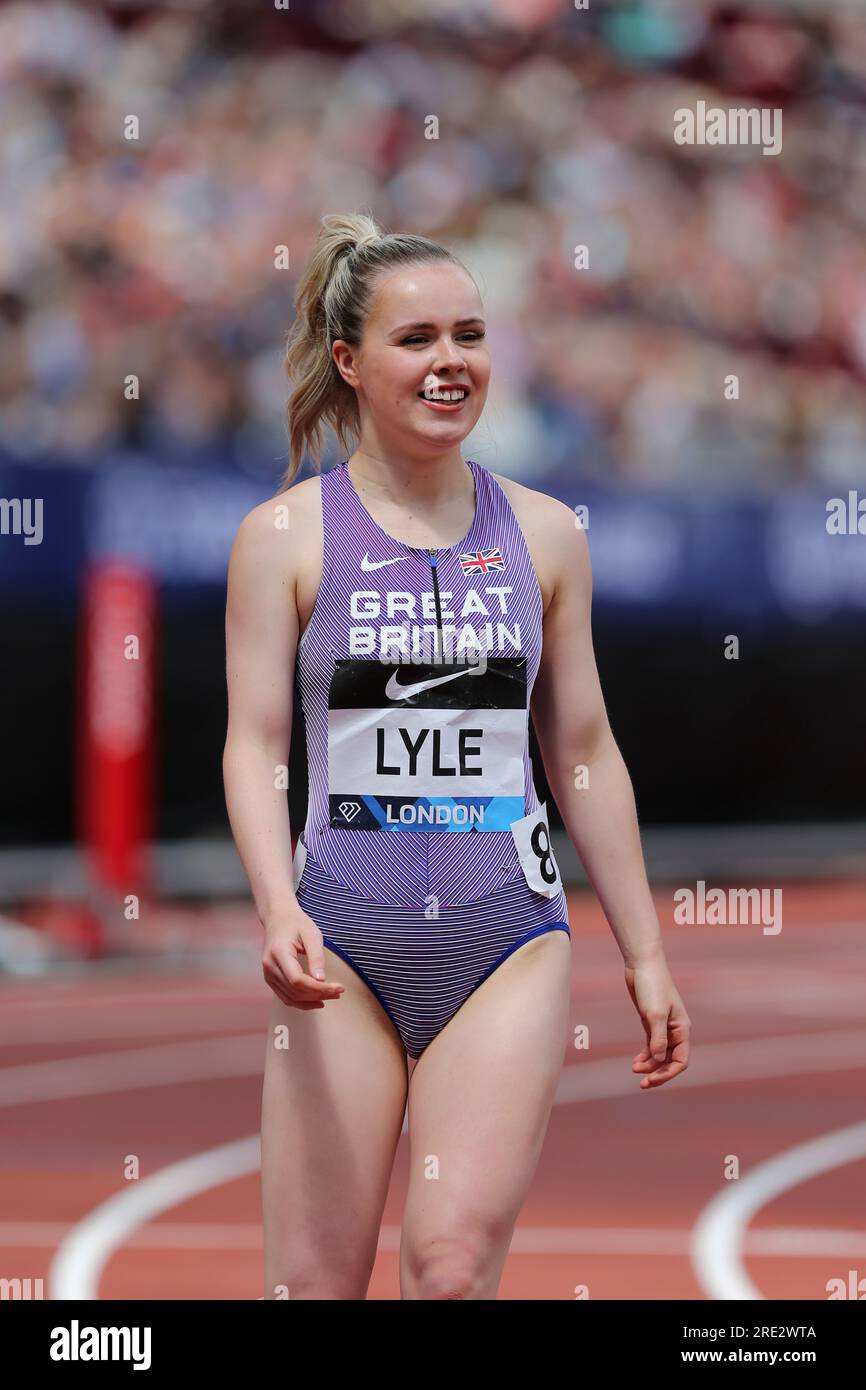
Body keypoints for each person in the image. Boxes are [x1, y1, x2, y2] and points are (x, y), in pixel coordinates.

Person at [223, 211, 690, 1301]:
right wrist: (274, 906)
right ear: (349, 361)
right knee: (313, 1284)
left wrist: (645, 950)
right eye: (417, 338)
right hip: (339, 946)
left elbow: (580, 750)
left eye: (469, 336)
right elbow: (252, 747)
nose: (449, 362)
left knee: (446, 1268)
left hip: (506, 944)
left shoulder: (544, 533)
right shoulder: (284, 537)